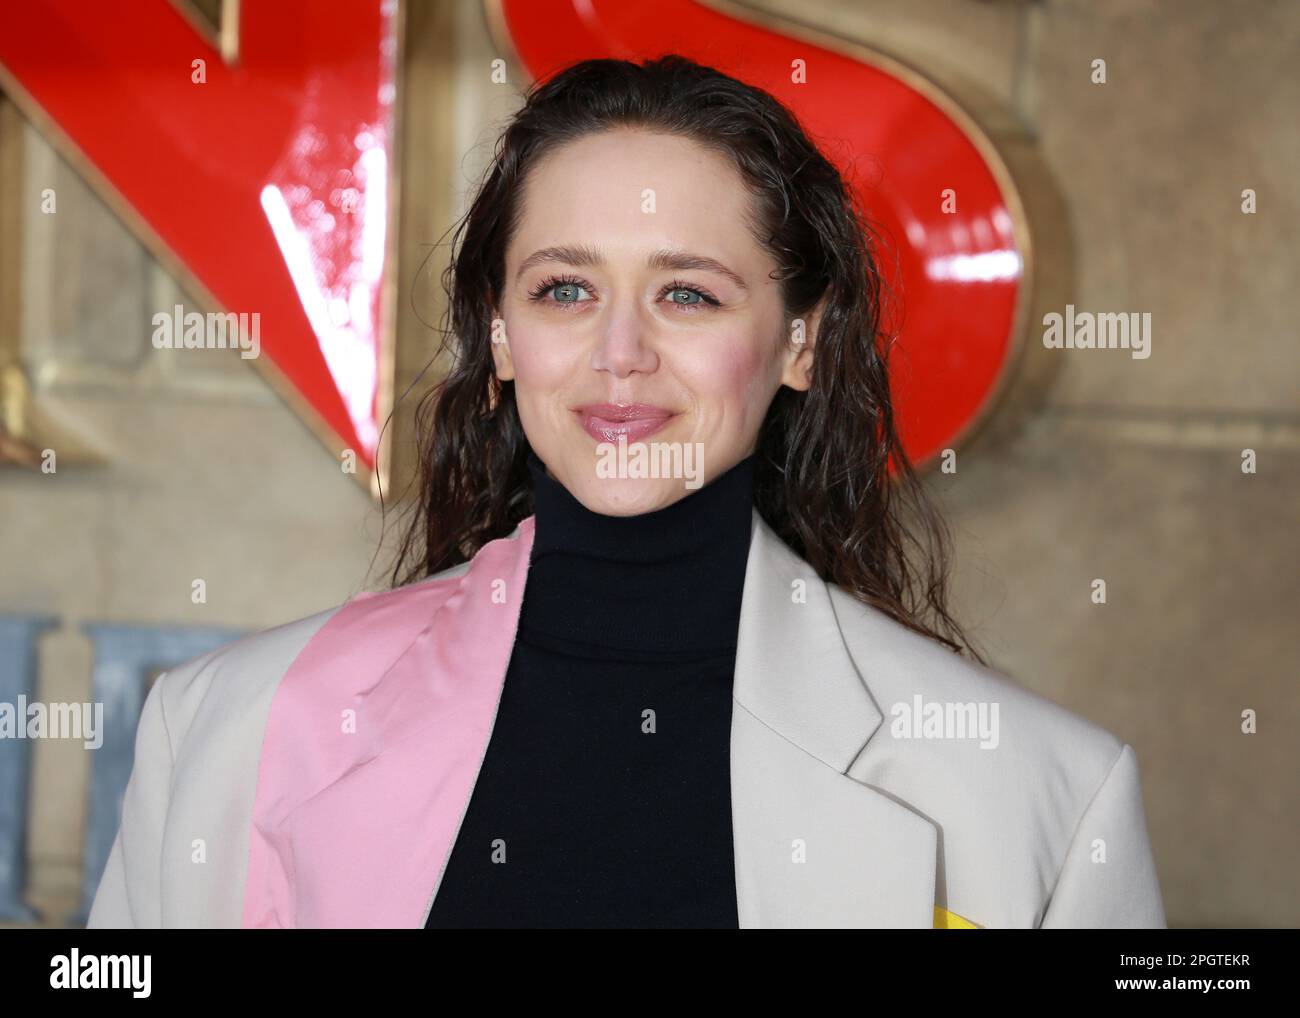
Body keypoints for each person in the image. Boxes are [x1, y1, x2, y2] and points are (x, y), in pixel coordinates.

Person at [87, 55, 1164, 929]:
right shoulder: (223, 727)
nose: (619, 353)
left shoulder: (1042, 797)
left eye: (686, 294)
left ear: (800, 341)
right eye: (565, 288)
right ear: (499, 334)